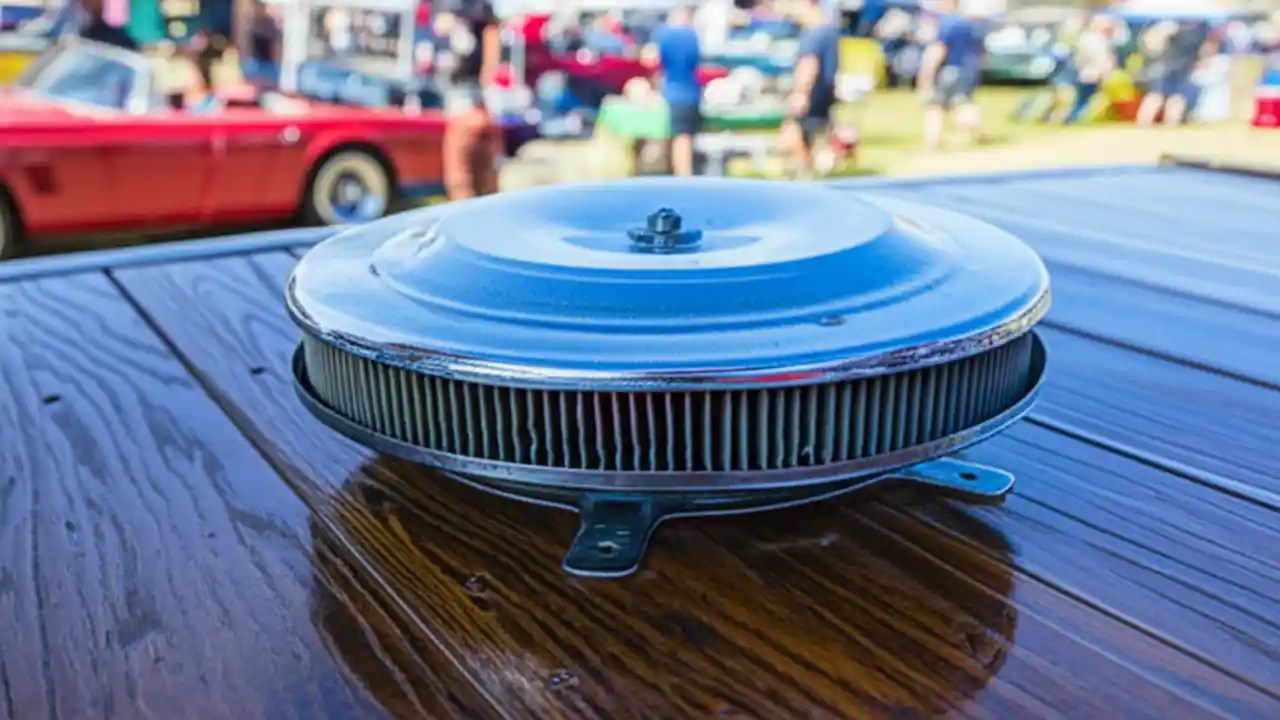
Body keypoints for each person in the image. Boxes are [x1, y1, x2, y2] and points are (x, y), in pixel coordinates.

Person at [783, 0, 839, 179]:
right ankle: (814, 172)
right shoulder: (830, 30)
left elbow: (809, 64)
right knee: (817, 137)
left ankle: (804, 175)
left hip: (811, 95)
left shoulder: (812, 34)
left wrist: (800, 93)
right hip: (825, 94)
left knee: (794, 133)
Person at [917, 0, 983, 150]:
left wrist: (927, 73)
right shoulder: (969, 24)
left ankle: (934, 141)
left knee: (935, 106)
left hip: (947, 70)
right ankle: (975, 131)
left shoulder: (946, 23)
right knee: (963, 102)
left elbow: (939, 49)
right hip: (966, 69)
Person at [649, 6, 703, 177]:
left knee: (679, 137)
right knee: (685, 137)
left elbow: (655, 62)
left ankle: (682, 177)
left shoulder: (664, 35)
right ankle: (683, 174)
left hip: (672, 93)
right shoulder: (692, 35)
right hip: (692, 92)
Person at [1137, 20, 1208, 127]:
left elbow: (1151, 45)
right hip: (1176, 68)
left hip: (1171, 67)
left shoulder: (1171, 26)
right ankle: (1167, 125)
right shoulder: (1198, 30)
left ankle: (1147, 124)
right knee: (1169, 98)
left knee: (1166, 98)